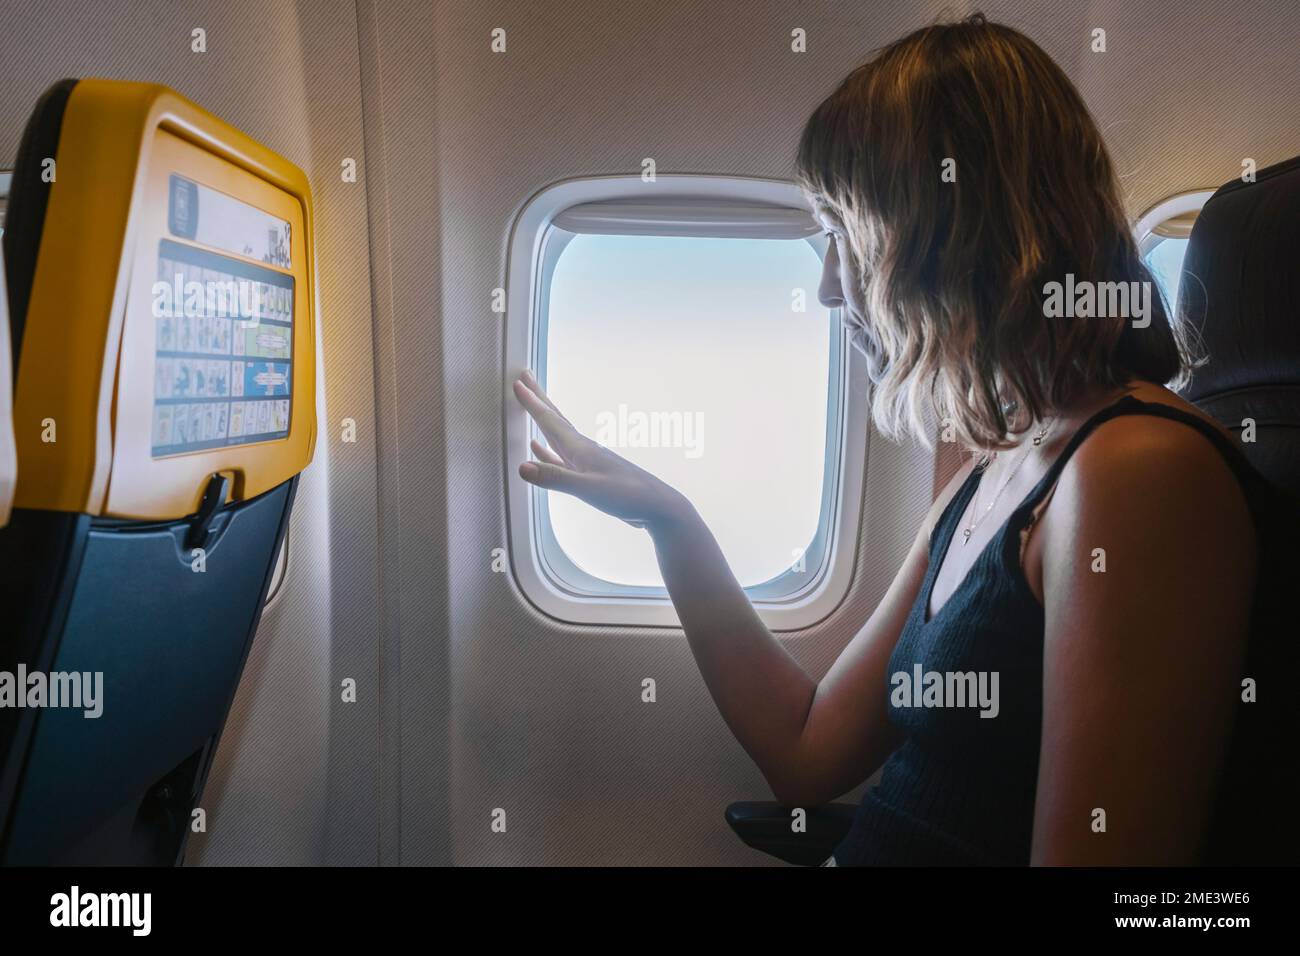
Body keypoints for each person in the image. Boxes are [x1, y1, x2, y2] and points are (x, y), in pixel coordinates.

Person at [513, 14, 1265, 865]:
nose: (830, 288)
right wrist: (670, 520)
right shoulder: (996, 470)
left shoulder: (1136, 474)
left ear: (946, 233)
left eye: (840, 237)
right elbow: (806, 752)